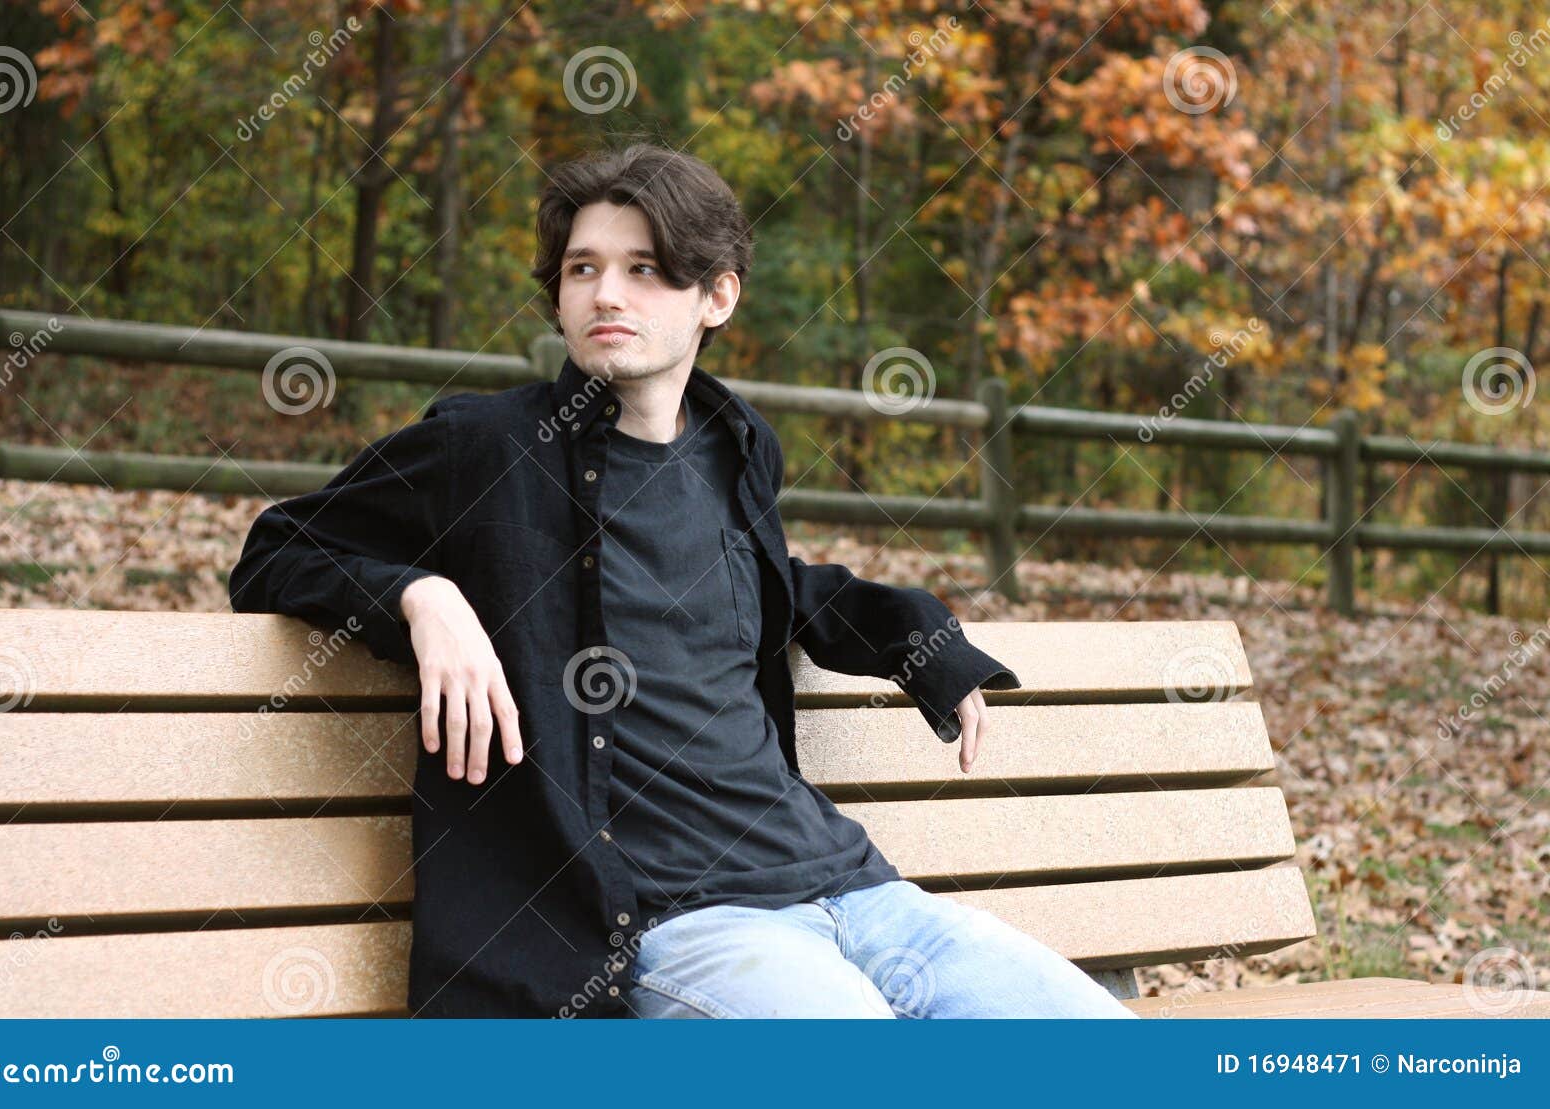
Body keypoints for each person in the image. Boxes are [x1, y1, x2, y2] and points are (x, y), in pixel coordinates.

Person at [229, 141, 1134, 1019]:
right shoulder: (488, 450)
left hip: (855, 890)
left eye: (646, 269)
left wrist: (918, 640)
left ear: (717, 296)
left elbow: (770, 584)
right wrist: (422, 597)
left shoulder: (734, 449)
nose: (607, 293)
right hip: (677, 924)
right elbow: (277, 549)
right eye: (583, 269)